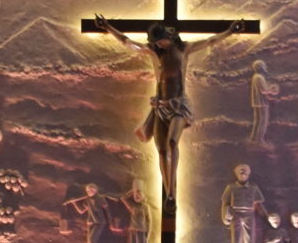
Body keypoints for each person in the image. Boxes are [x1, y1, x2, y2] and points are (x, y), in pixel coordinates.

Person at [90, 13, 252, 185]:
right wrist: (108, 27)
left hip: (178, 106)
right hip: (160, 107)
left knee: (173, 142)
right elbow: (127, 41)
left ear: (167, 36)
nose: (158, 44)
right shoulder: (154, 51)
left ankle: (172, 188)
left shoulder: (184, 49)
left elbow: (210, 41)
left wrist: (229, 32)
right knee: (161, 150)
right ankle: (169, 191)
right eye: (155, 42)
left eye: (160, 41)